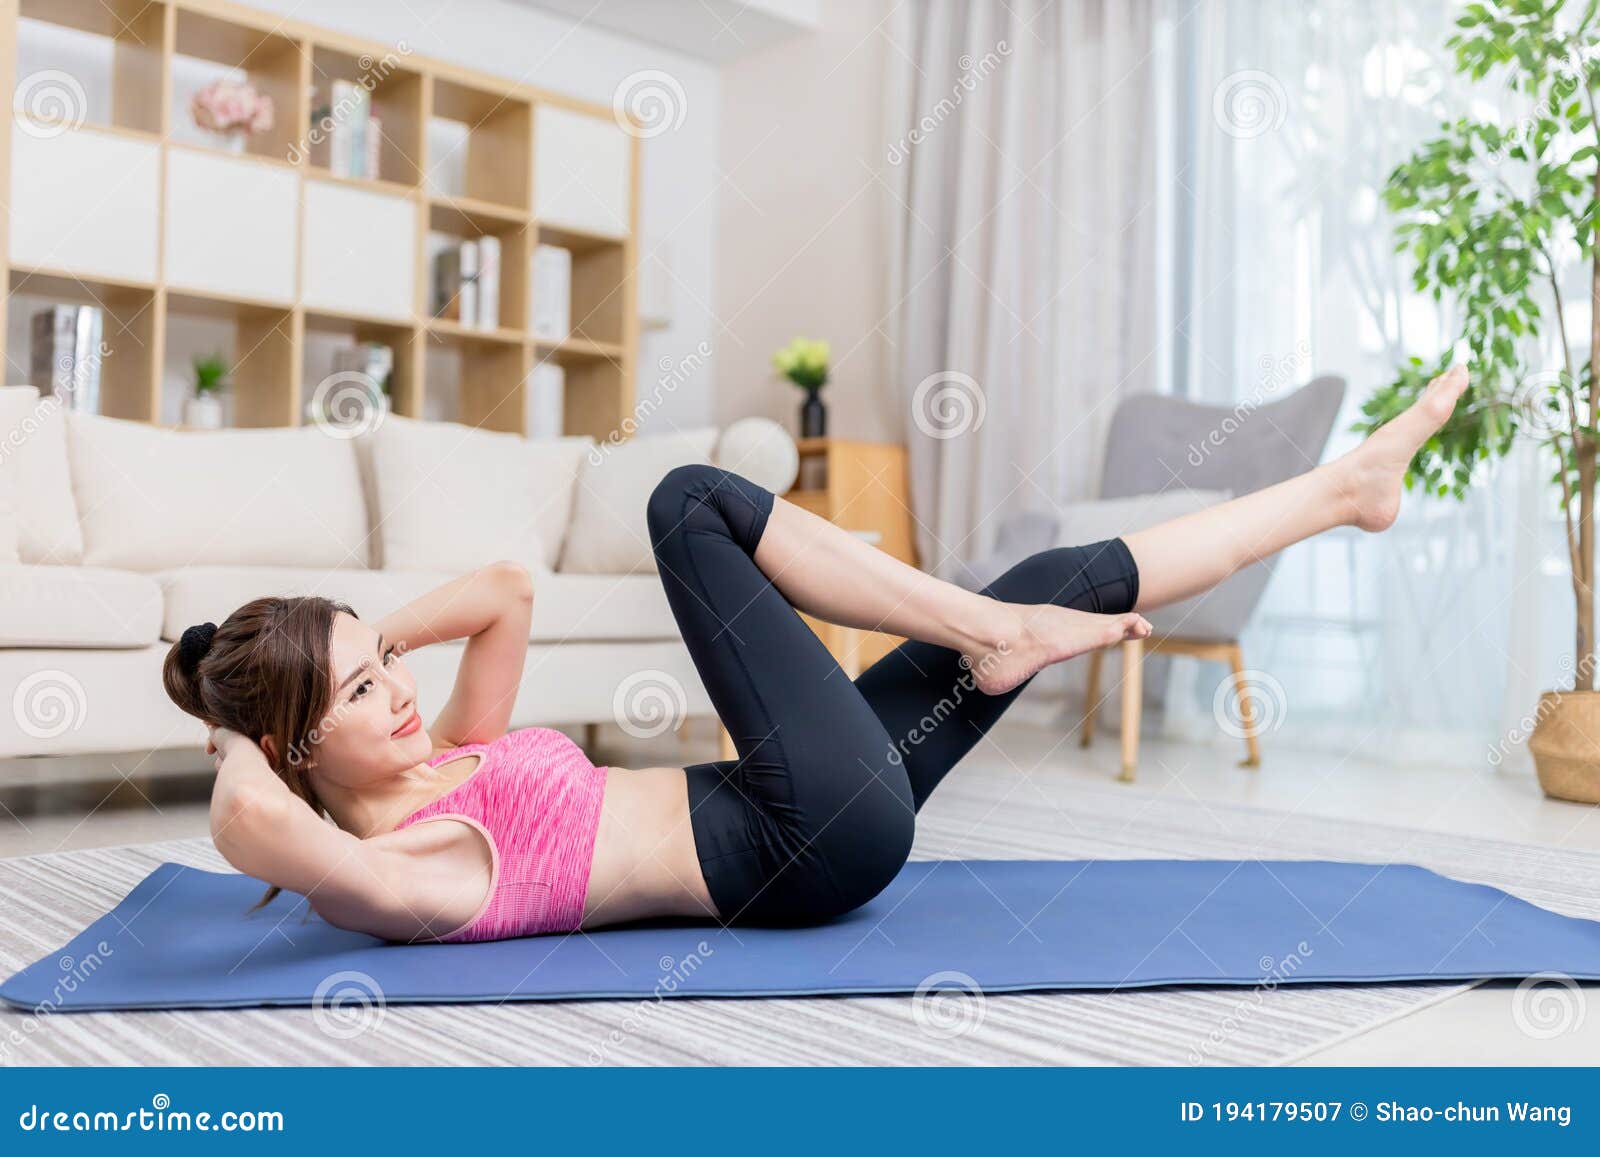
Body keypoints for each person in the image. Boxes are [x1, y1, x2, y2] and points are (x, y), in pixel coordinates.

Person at [167, 364, 1469, 943]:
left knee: (1046, 579)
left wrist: (369, 641)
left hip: (810, 804)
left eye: (383, 666)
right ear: (292, 749)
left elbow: (507, 591)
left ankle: (1337, 489)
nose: (396, 692)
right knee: (689, 501)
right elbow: (242, 812)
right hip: (801, 839)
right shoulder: (384, 873)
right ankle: (991, 631)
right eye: (358, 693)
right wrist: (232, 722)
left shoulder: (443, 748)